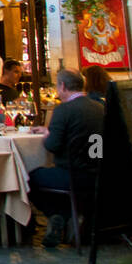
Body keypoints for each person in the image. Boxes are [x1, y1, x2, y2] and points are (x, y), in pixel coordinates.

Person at [28, 69, 104, 247]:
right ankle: (67, 217)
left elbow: (52, 146)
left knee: (28, 178)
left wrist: (48, 135)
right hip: (97, 174)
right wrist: (52, 131)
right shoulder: (99, 108)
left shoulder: (63, 110)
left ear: (62, 86)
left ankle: (58, 215)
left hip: (71, 175)